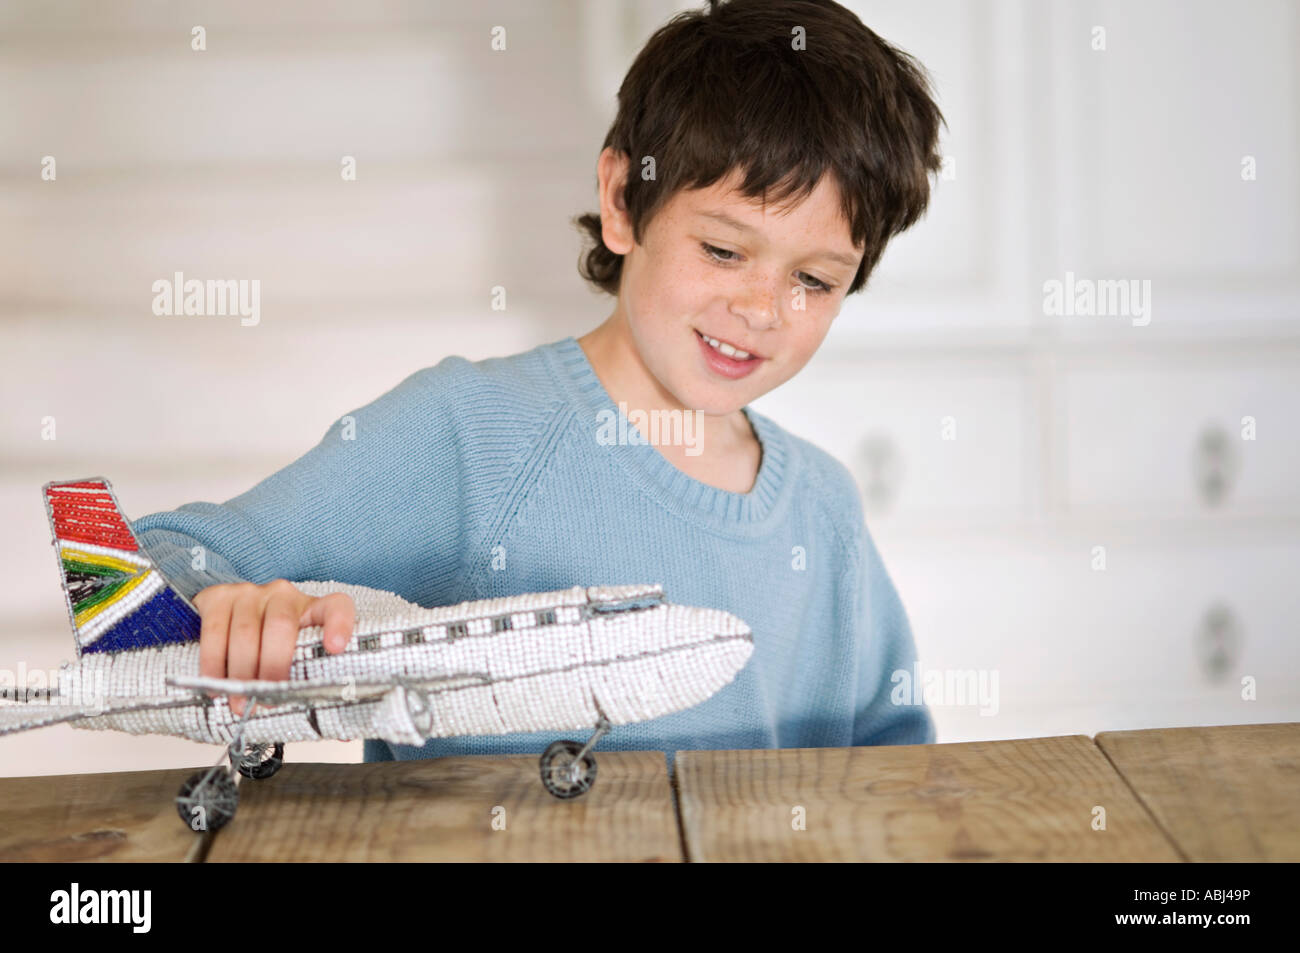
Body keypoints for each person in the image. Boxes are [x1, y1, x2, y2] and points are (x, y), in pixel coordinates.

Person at [132, 0, 945, 768]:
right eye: (724, 251)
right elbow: (146, 569)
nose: (762, 308)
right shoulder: (476, 433)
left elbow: (894, 774)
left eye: (813, 278)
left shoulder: (825, 510)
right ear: (623, 201)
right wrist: (228, 605)